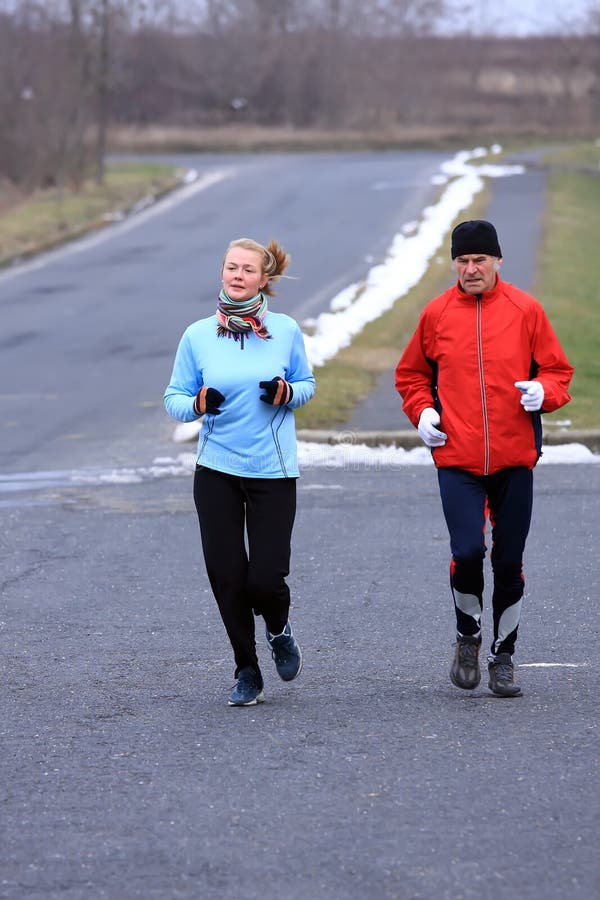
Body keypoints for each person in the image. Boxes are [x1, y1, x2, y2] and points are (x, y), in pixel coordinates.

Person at [395, 220, 574, 697]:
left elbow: (558, 371)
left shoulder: (525, 310)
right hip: (457, 457)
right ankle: (468, 638)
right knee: (468, 551)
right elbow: (411, 375)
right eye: (462, 261)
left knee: (509, 560)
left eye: (479, 260)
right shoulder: (435, 314)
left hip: (515, 457)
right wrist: (423, 411)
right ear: (454, 263)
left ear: (497, 261)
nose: (470, 269)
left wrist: (544, 391)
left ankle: (505, 656)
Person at [164, 237, 316, 706]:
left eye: (247, 269)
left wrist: (286, 393)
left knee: (265, 580)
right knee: (227, 576)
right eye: (230, 267)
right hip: (216, 471)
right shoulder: (197, 335)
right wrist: (197, 404)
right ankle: (246, 670)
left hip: (272, 469)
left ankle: (278, 627)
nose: (236, 275)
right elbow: (173, 399)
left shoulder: (286, 331)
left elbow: (307, 385)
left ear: (263, 279)